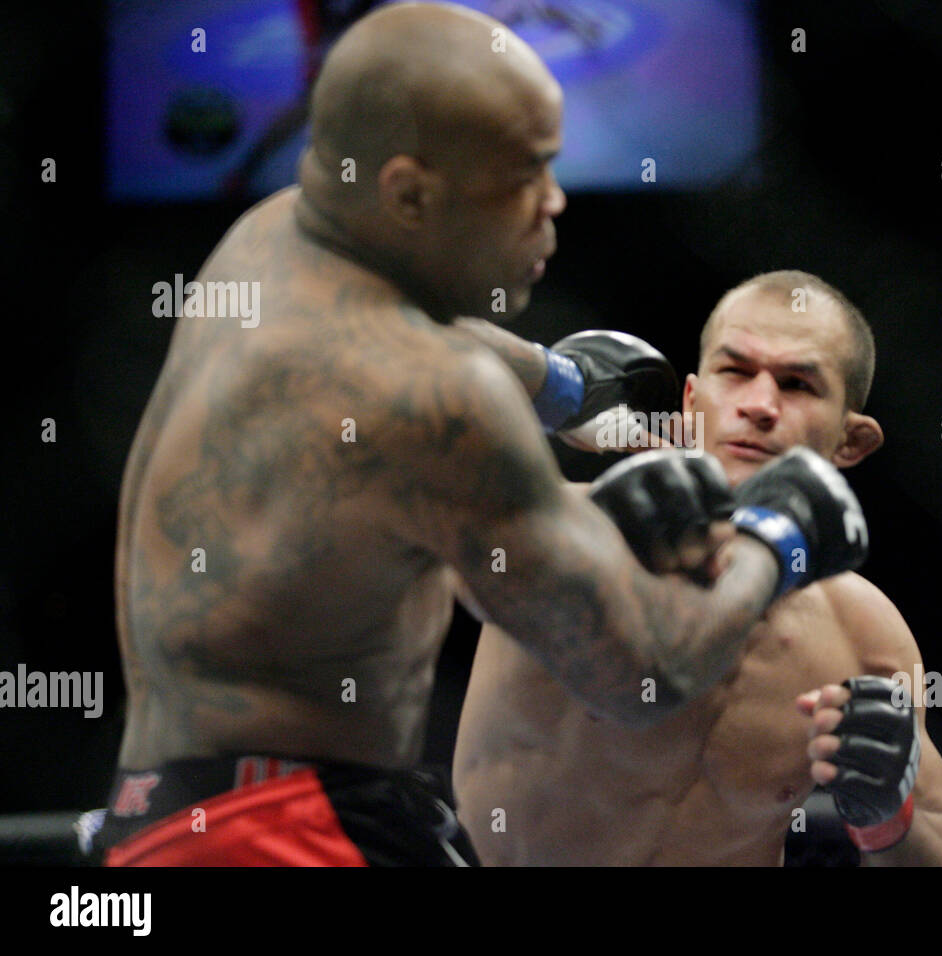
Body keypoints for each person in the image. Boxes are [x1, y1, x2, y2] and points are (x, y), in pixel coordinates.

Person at [102, 5, 867, 866]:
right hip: (288, 832)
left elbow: (398, 328)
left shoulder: (265, 241)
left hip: (162, 812)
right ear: (410, 193)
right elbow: (641, 673)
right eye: (527, 173)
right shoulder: (440, 401)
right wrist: (780, 532)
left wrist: (559, 384)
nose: (556, 200)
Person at [454, 271, 942, 866]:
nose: (758, 405)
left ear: (849, 443)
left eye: (798, 383)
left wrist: (890, 814)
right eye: (735, 372)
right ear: (690, 401)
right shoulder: (561, 528)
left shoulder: (863, 635)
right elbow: (386, 341)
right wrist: (553, 381)